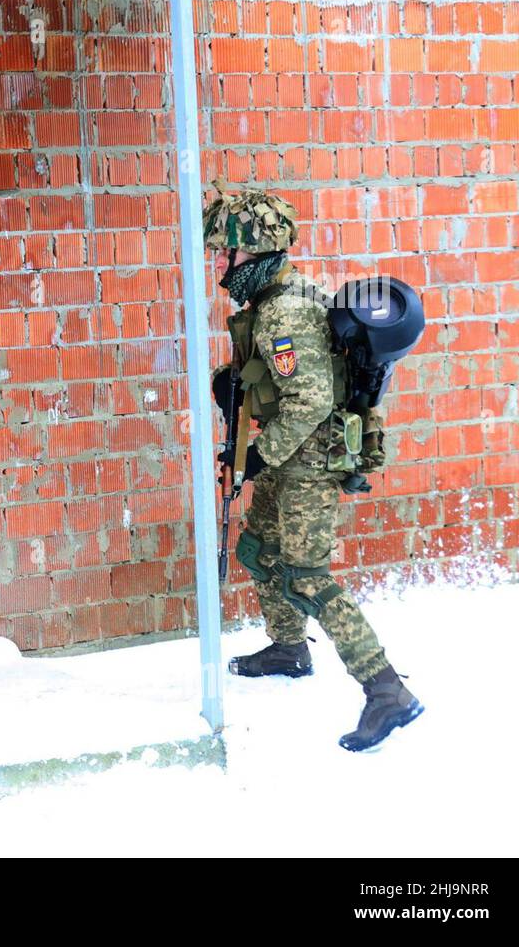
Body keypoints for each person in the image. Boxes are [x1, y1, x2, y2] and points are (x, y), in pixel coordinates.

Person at [202, 179, 423, 751]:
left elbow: (309, 402)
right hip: (291, 454)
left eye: (230, 254)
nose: (224, 265)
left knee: (307, 574)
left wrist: (257, 454)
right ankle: (289, 647)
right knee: (259, 549)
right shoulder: (276, 299)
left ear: (255, 252)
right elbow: (281, 387)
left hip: (310, 461)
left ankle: (385, 690)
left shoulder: (285, 316)